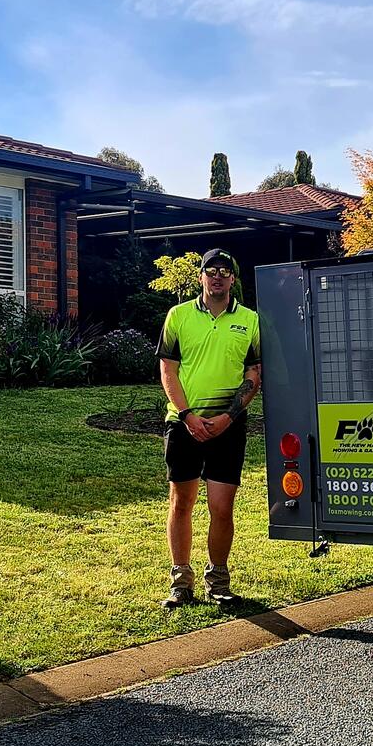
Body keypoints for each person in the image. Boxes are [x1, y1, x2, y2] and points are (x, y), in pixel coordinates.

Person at [157, 248, 261, 608]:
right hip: (183, 424)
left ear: (233, 278)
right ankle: (180, 581)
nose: (217, 276)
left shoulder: (250, 320)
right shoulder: (178, 316)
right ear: (200, 276)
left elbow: (253, 374)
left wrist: (227, 417)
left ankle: (218, 580)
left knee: (221, 506)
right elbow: (168, 370)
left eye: (224, 271)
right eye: (210, 270)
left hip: (227, 427)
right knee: (181, 502)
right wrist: (187, 415)